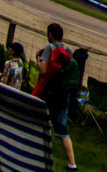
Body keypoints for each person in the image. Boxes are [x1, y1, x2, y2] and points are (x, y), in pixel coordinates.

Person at [34, 22, 78, 171]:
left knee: (38, 121)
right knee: (62, 129)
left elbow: (44, 70)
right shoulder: (68, 50)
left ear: (50, 35)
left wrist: (38, 59)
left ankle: (35, 153)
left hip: (49, 91)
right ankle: (72, 163)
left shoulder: (49, 48)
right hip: (63, 94)